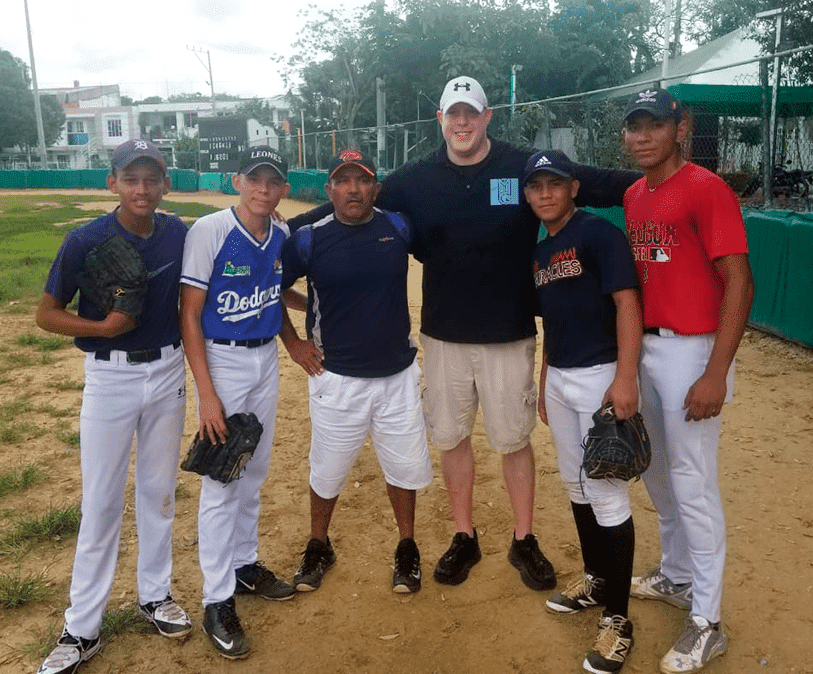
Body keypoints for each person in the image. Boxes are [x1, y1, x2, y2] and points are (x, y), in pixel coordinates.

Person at [289, 76, 639, 592]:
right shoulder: (415, 177)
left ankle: (524, 539)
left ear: (487, 116)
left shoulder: (519, 166)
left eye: (471, 113)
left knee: (513, 441)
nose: (462, 123)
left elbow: (595, 180)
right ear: (440, 120)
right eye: (452, 113)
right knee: (451, 438)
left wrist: (663, 179)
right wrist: (282, 231)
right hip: (444, 335)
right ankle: (463, 535)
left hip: (509, 332)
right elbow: (351, 202)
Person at [35, 139, 192, 674]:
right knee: (101, 501)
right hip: (110, 377)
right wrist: (99, 328)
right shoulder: (86, 240)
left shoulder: (178, 232)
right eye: (131, 178)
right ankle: (81, 628)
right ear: (113, 183)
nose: (142, 189)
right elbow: (46, 314)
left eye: (151, 178)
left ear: (164, 184)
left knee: (158, 492)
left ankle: (155, 595)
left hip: (168, 369)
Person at [621, 88, 754, 674]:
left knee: (692, 481)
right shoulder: (633, 194)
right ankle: (676, 575)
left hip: (692, 349)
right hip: (648, 345)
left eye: (655, 125)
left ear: (682, 127)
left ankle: (708, 619)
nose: (643, 135)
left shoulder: (706, 188)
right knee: (653, 467)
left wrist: (715, 372)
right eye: (634, 127)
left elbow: (740, 282)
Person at [180, 145, 314, 660]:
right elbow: (189, 315)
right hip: (223, 360)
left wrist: (295, 340)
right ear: (237, 181)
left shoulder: (280, 233)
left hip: (262, 361)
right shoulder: (209, 231)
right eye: (254, 179)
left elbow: (274, 294)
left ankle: (245, 564)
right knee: (220, 479)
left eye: (273, 181)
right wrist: (207, 394)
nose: (263, 188)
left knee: (252, 471)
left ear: (283, 189)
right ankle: (217, 599)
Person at [281, 150, 433, 595]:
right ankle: (318, 543)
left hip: (397, 377)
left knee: (403, 469)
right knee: (326, 470)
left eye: (362, 180)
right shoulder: (309, 238)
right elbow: (270, 289)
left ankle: (407, 547)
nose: (352, 189)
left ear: (375, 188)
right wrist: (294, 343)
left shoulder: (398, 228)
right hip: (336, 376)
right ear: (328, 190)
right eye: (342, 181)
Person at [522, 149, 642, 674]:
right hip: (563, 377)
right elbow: (555, 320)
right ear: (527, 196)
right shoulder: (541, 251)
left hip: (600, 376)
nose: (545, 193)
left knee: (608, 492)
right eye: (535, 186)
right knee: (576, 484)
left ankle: (619, 620)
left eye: (554, 183)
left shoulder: (598, 234)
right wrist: (547, 378)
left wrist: (625, 377)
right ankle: (596, 580)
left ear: (573, 187)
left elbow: (627, 304)